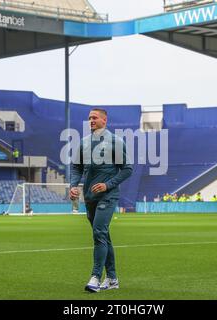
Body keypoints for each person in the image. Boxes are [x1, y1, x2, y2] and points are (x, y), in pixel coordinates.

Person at [70, 108, 132, 293]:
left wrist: (107, 185)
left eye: (94, 118)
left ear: (104, 121)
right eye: (89, 118)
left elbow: (127, 169)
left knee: (98, 232)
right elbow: (76, 167)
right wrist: (74, 185)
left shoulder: (115, 142)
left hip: (108, 195)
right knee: (103, 235)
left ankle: (95, 277)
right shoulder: (83, 143)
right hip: (89, 197)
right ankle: (112, 279)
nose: (91, 120)